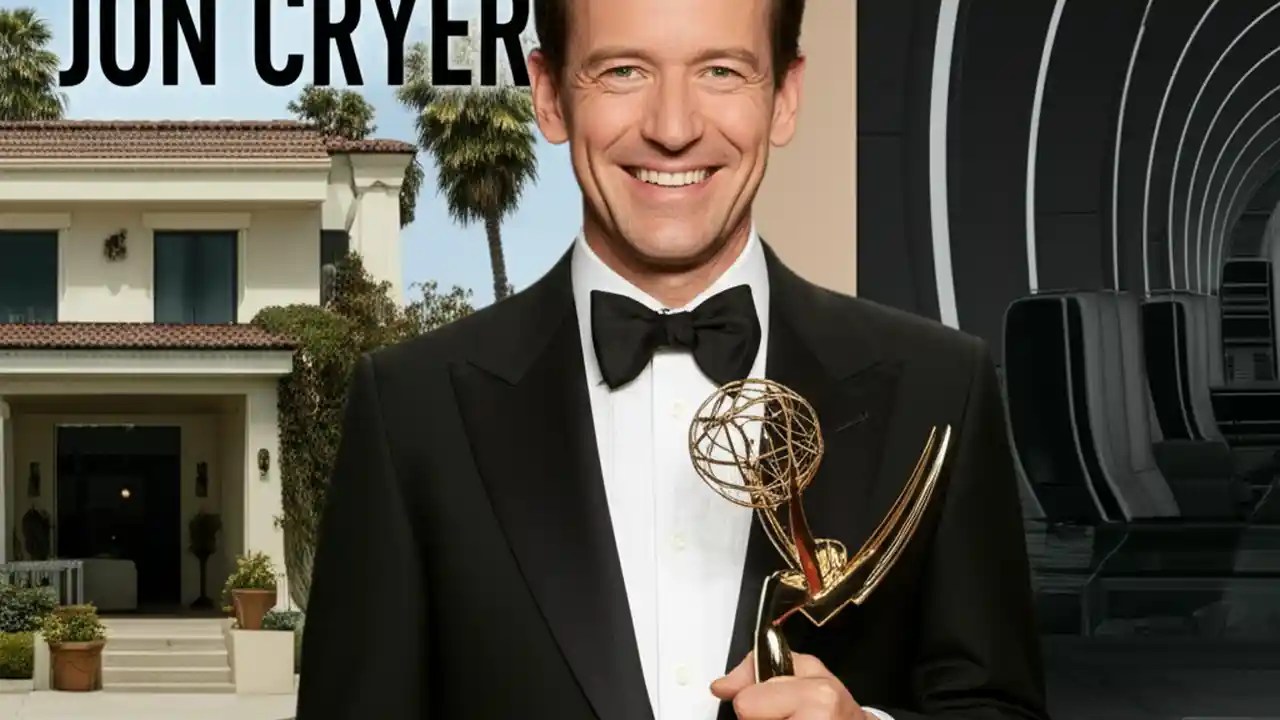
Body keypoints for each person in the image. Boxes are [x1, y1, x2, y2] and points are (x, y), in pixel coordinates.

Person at [294, 0, 1050, 718]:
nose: (674, 127)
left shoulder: (939, 390)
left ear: (785, 96)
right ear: (551, 95)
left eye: (722, 70)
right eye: (623, 70)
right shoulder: (410, 411)